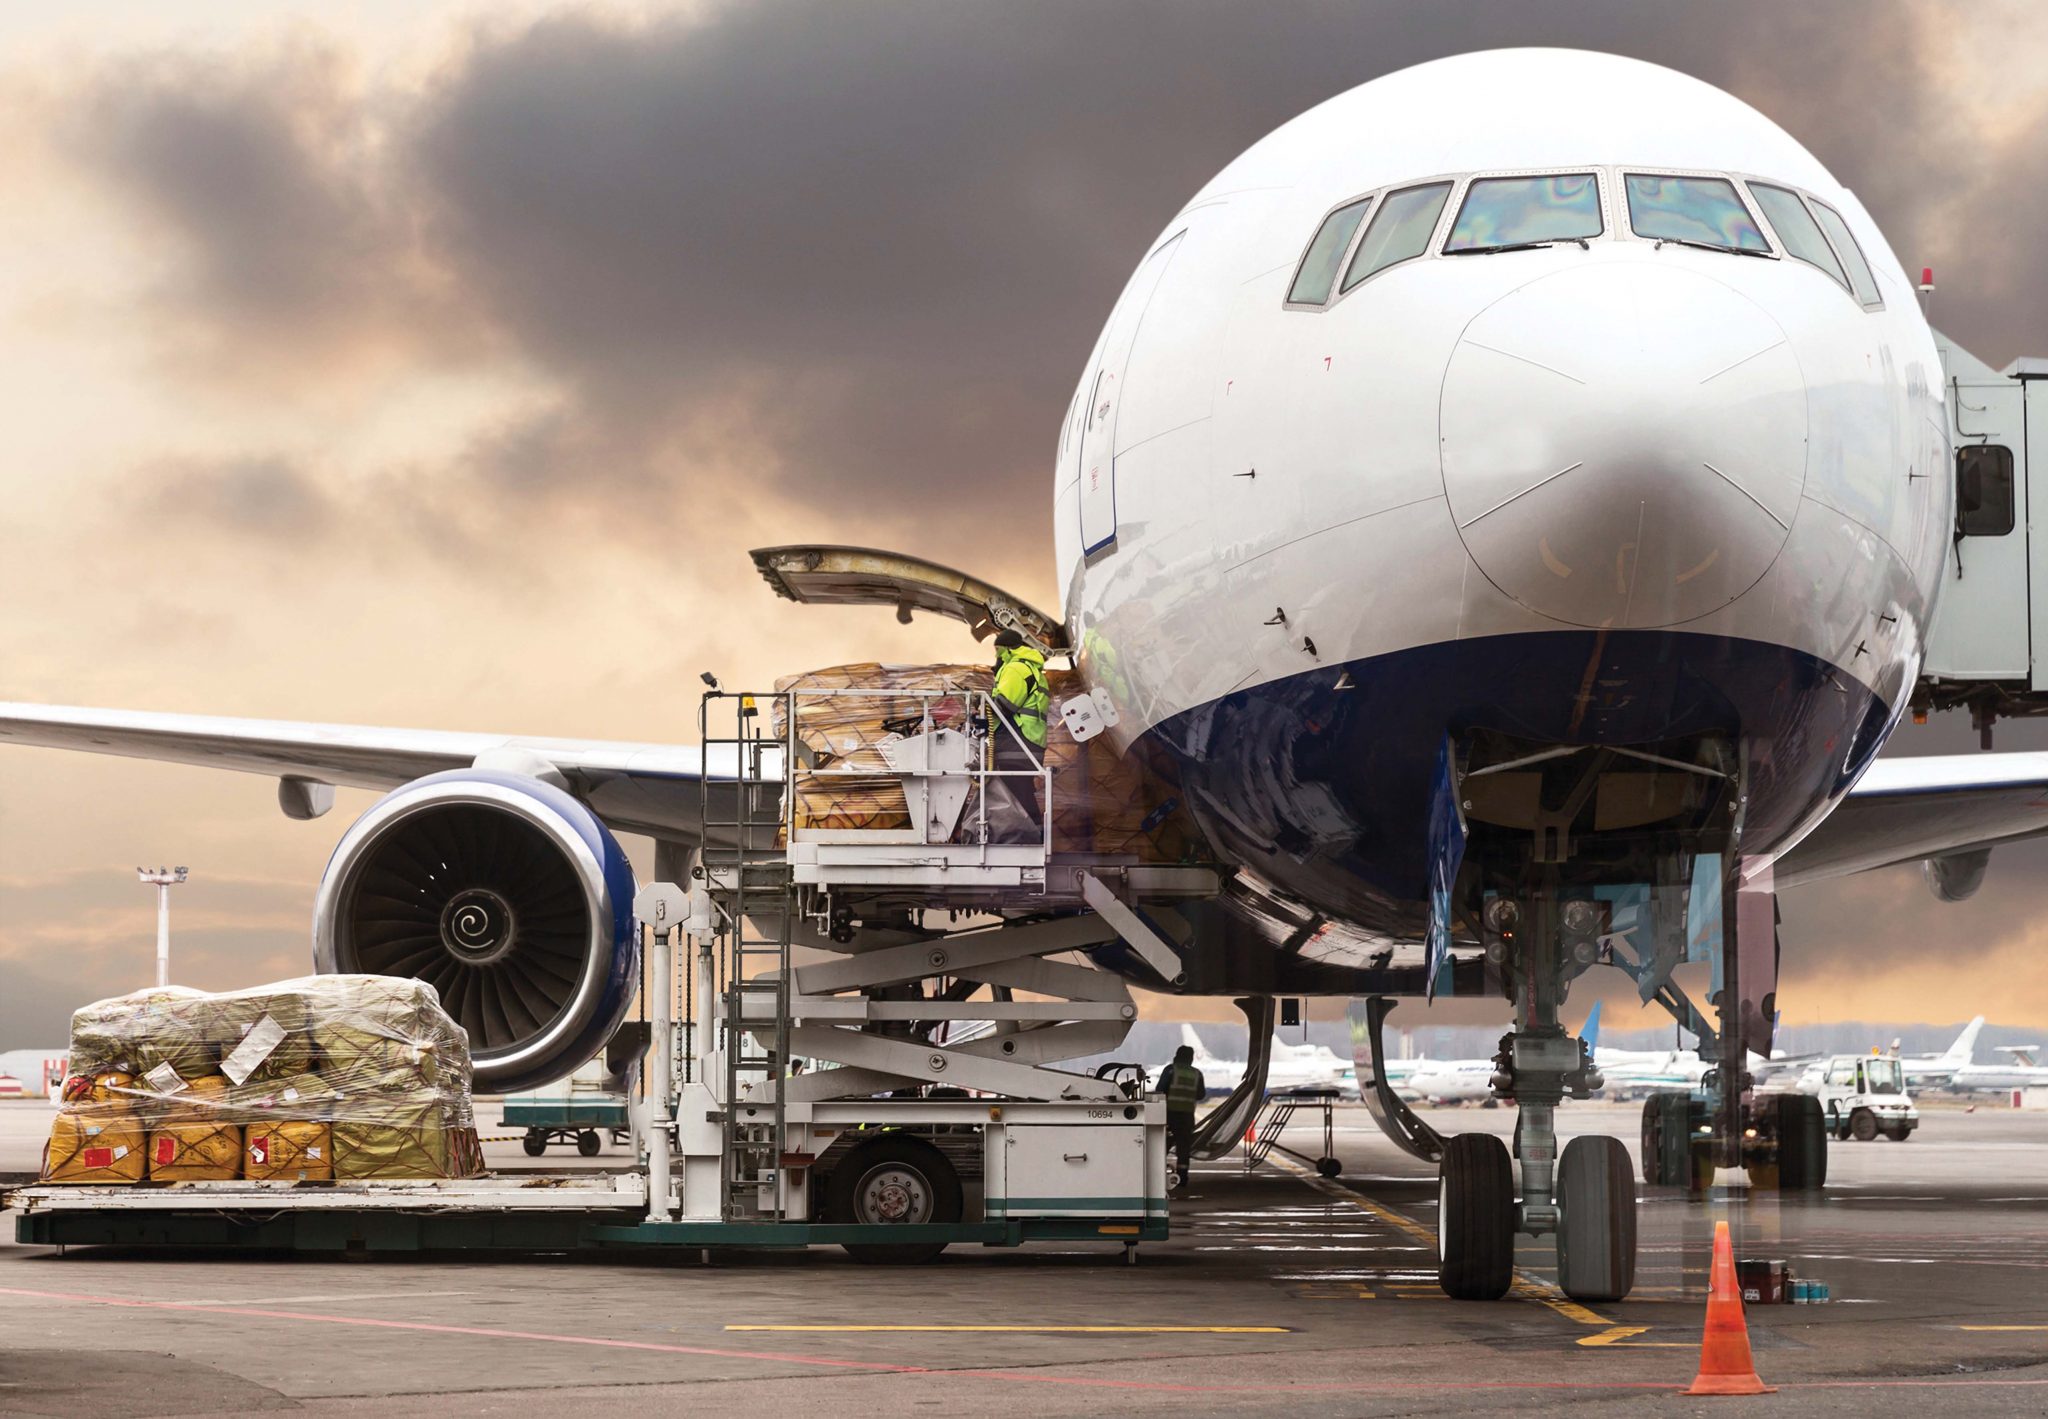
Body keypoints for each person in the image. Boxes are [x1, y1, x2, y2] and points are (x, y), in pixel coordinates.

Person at [985, 628, 1049, 842]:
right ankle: (1033, 833)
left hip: (1018, 740)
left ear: (1005, 648)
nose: (995, 654)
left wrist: (981, 705)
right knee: (1020, 790)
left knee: (1015, 791)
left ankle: (1031, 836)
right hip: (1029, 740)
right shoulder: (1029, 667)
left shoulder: (1015, 668)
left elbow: (1005, 706)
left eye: (997, 649)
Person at [1156, 1044, 1205, 1188]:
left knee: (1161, 1146)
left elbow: (1160, 1089)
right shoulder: (1197, 1074)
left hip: (1169, 1115)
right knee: (1184, 1148)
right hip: (1187, 1116)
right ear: (1191, 1058)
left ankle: (1157, 1175)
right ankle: (1182, 1178)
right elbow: (1201, 1095)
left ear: (1176, 1056)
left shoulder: (1171, 1070)